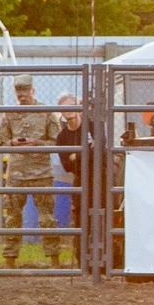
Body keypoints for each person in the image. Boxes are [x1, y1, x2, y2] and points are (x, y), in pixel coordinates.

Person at [0, 74, 61, 268]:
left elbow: (56, 141)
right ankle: (10, 259)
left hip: (41, 173)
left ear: (33, 90)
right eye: (18, 91)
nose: (22, 94)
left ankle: (54, 258)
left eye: (25, 90)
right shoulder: (9, 114)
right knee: (12, 217)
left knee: (47, 218)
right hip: (17, 173)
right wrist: (12, 143)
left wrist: (37, 143)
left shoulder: (47, 112)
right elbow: (0, 141)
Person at [52, 93, 83, 260]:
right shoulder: (62, 136)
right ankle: (81, 259)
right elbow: (67, 165)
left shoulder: (92, 126)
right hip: (79, 178)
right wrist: (84, 153)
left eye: (71, 106)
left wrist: (76, 155)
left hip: (100, 177)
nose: (69, 111)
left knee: (100, 217)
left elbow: (99, 152)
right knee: (79, 217)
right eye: (65, 108)